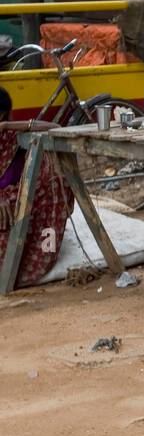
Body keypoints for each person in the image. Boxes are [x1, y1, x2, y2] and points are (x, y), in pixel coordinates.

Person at [0, 87, 74, 286]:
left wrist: (8, 125)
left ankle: (32, 253)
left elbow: (55, 127)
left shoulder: (10, 137)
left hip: (16, 204)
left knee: (55, 181)